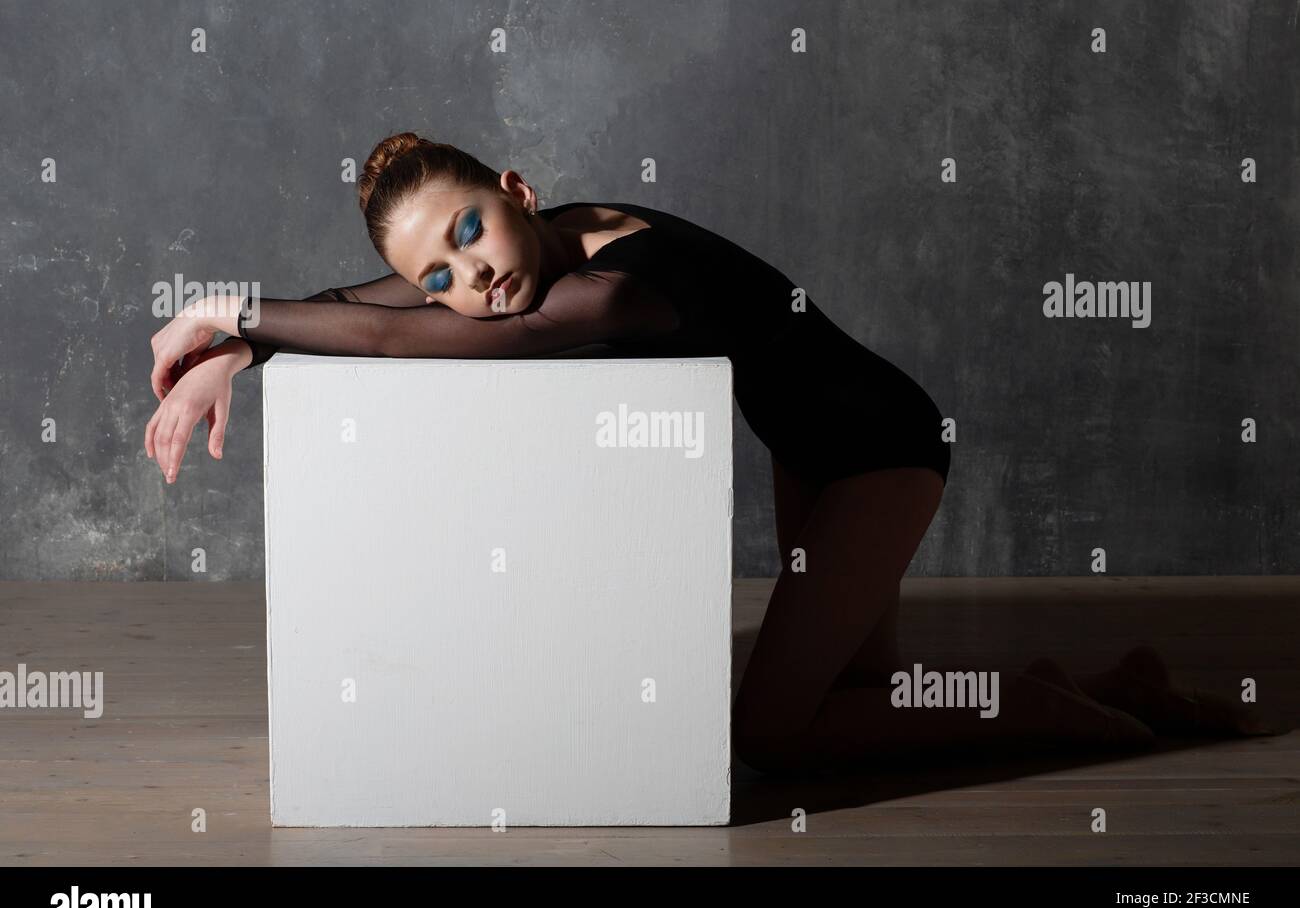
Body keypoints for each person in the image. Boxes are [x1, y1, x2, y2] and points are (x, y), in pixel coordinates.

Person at [145, 134, 1274, 775]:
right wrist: (242, 349)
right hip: (812, 448)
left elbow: (401, 327)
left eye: (470, 234)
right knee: (858, 693)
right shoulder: (561, 235)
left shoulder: (615, 289)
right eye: (443, 269)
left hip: (882, 446)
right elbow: (379, 302)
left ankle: (1061, 719)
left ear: (518, 194)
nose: (467, 279)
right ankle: (1104, 683)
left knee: (770, 737)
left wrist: (232, 310)